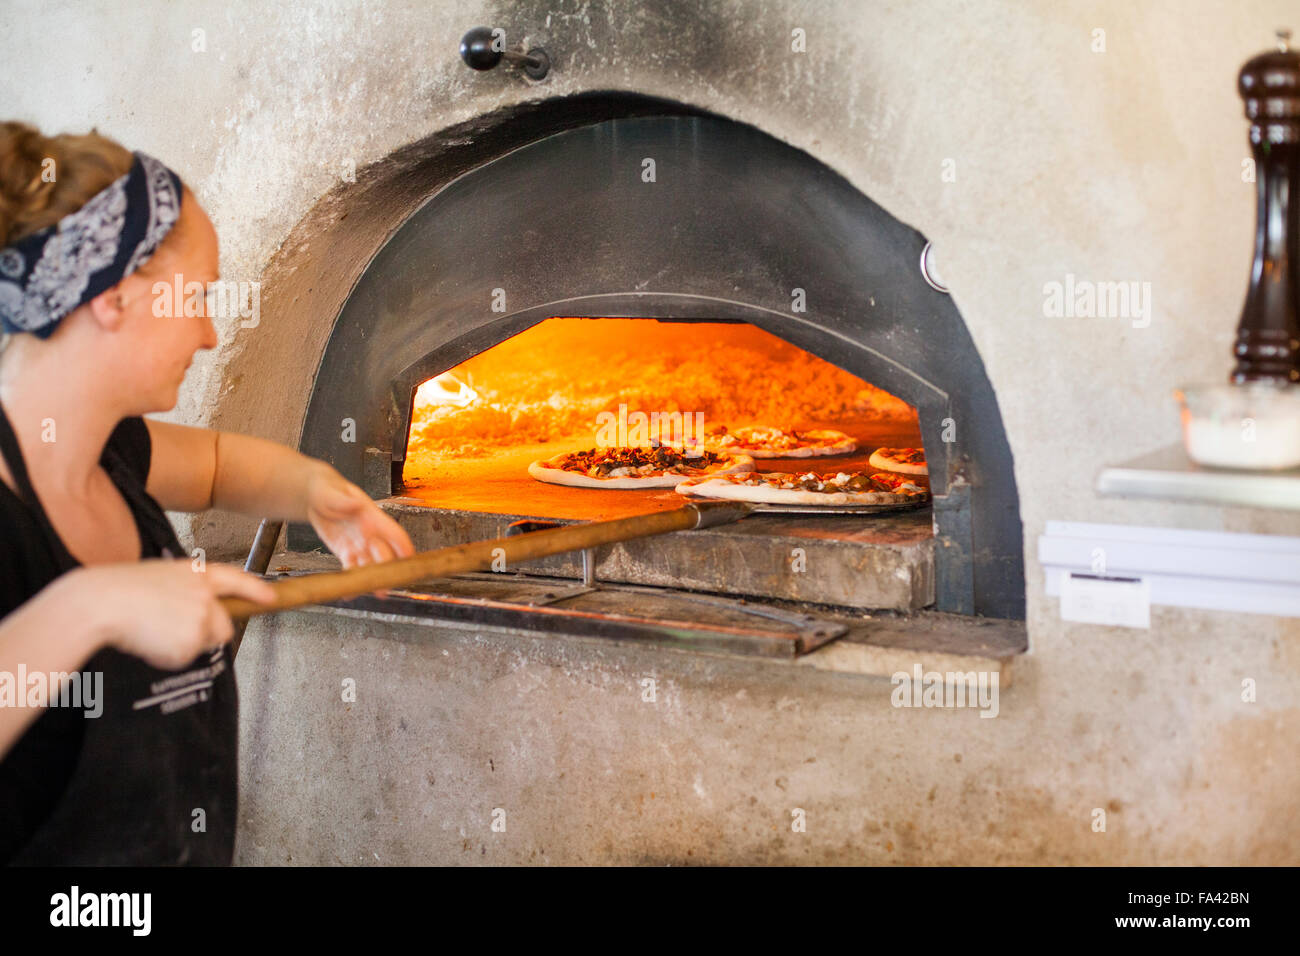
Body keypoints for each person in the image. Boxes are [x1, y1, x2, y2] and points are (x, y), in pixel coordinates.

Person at [0, 121, 415, 864]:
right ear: (115, 297)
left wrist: (316, 491)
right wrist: (88, 606)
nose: (209, 334)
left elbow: (221, 465)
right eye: (196, 297)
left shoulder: (109, 450)